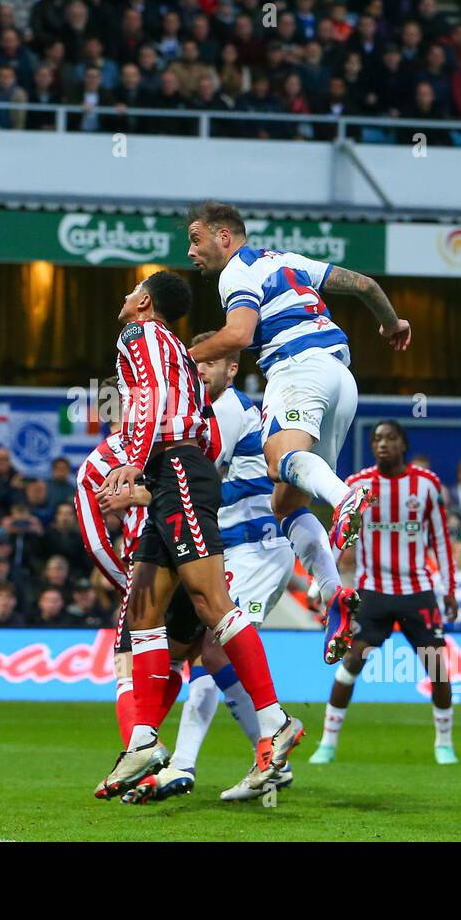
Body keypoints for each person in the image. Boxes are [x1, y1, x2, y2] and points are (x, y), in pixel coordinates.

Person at [94, 270, 299, 801]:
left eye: (129, 290)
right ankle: (143, 738)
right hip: (178, 473)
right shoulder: (181, 354)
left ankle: (275, 721)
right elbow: (203, 423)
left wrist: (138, 465)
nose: (123, 297)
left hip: (174, 470)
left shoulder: (139, 336)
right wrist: (181, 472)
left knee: (211, 602)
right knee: (143, 609)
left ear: (143, 300)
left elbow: (150, 401)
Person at [184, 200, 409, 662]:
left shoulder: (236, 273)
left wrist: (184, 355)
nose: (191, 251)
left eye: (195, 238)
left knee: (276, 460)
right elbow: (365, 285)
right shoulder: (287, 261)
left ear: (224, 236)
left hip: (296, 370)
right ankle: (335, 596)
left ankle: (345, 498)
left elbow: (241, 335)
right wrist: (392, 323)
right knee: (285, 501)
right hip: (342, 378)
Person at [130, 330, 315, 803]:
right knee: (201, 652)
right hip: (232, 547)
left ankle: (241, 752)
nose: (199, 371)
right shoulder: (206, 411)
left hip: (254, 547)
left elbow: (202, 486)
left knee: (214, 648)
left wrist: (149, 494)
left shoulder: (227, 408)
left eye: (209, 363)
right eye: (195, 363)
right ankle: (255, 753)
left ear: (231, 368)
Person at [310, 420, 458, 767]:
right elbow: (338, 535)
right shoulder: (358, 485)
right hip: (371, 594)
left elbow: (439, 540)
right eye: (377, 439)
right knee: (350, 664)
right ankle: (327, 743)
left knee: (437, 669)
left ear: (403, 444)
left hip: (417, 594)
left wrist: (448, 590)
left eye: (390, 438)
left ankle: (444, 744)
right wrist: (323, 582)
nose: (382, 444)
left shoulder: (426, 485)